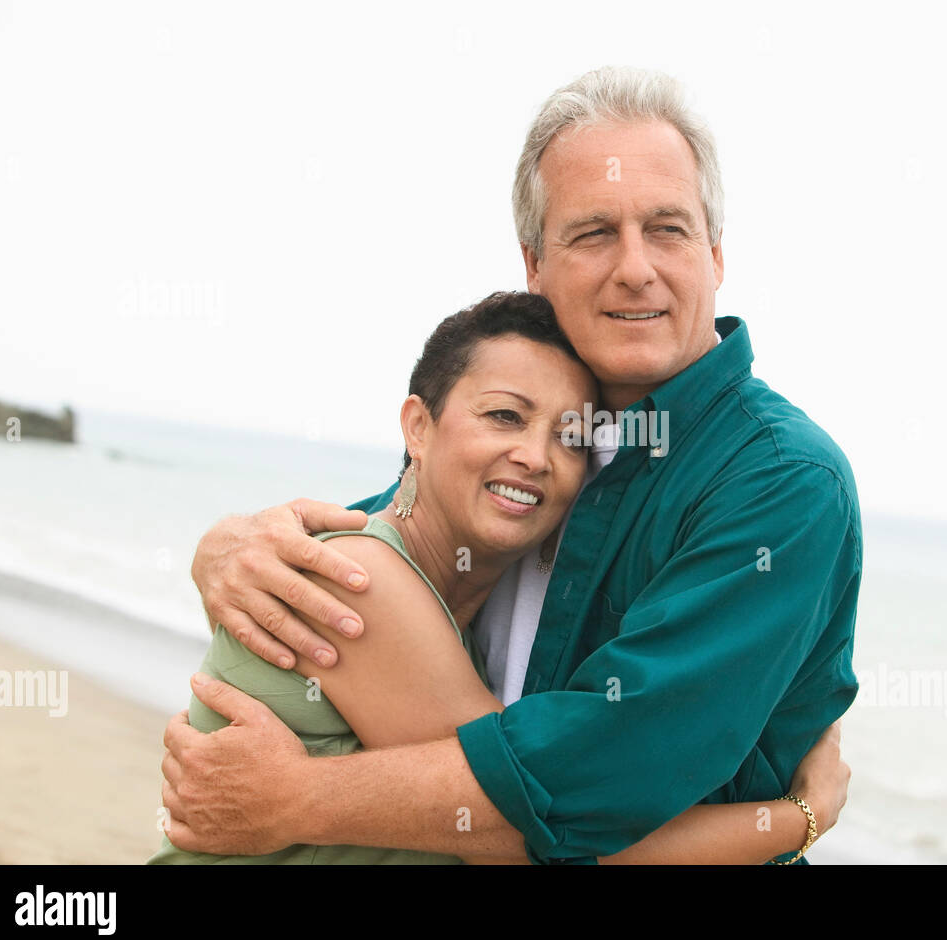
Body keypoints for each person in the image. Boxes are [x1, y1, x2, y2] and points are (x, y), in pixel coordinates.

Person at [163, 66, 861, 865]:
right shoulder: (552, 444)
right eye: (594, 232)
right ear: (534, 264)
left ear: (716, 254)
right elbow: (394, 539)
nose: (635, 267)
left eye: (667, 228)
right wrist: (226, 544)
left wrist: (298, 799)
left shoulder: (780, 482)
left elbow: (592, 777)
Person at [151, 291, 845, 864]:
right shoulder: (359, 583)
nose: (535, 455)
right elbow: (536, 829)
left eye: (571, 437)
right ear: (418, 426)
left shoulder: (436, 584)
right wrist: (798, 819)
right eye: (504, 416)